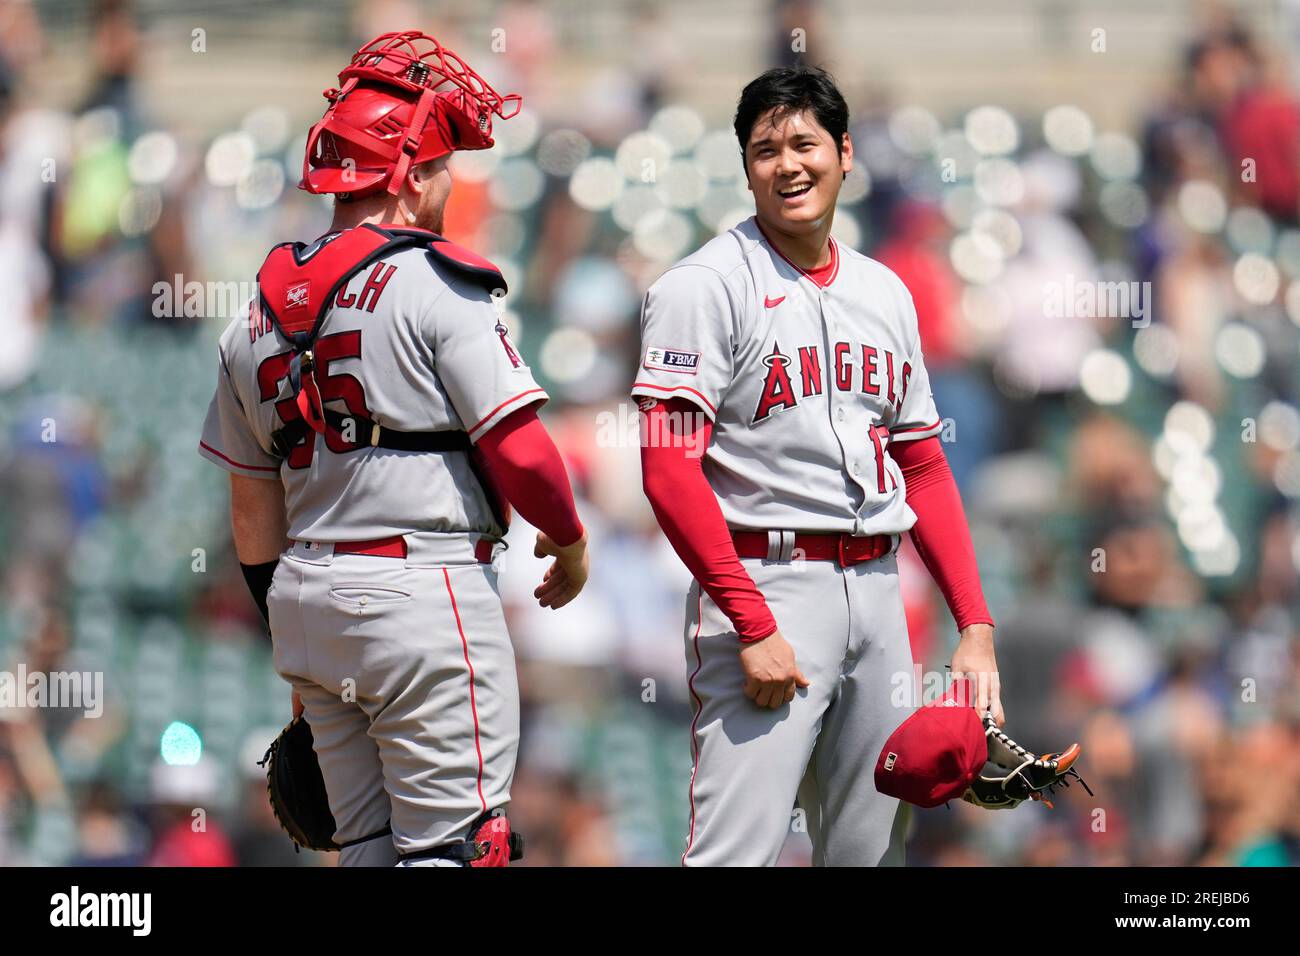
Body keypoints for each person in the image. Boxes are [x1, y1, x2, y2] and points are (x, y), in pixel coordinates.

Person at [198, 31, 588, 866]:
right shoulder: (433, 279)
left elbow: (250, 506)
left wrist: (295, 634)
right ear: (408, 176)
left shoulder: (250, 318)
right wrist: (571, 538)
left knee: (370, 851)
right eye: (442, 165)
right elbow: (521, 452)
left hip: (308, 602)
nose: (450, 181)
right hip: (422, 593)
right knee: (459, 848)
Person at [634, 66, 999, 866]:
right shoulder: (702, 286)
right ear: (745, 167)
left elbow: (925, 469)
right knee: (735, 855)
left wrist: (974, 625)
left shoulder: (886, 291)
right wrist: (751, 622)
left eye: (805, 143)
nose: (787, 164)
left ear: (845, 153)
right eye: (765, 149)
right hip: (769, 586)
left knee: (869, 855)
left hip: (877, 593)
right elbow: (667, 472)